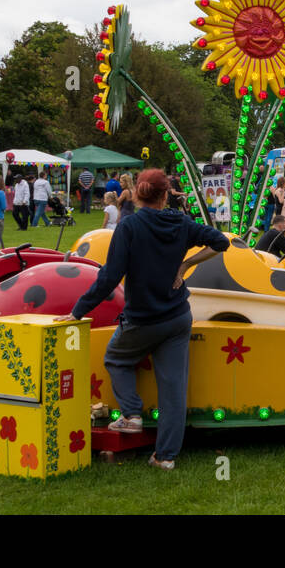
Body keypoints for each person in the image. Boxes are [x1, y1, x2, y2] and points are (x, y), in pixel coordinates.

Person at [60, 168, 229, 470]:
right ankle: (165, 458)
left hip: (142, 319)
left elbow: (109, 277)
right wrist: (186, 263)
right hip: (178, 317)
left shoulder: (129, 226)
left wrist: (77, 311)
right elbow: (221, 241)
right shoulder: (181, 222)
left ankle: (132, 415)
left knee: (115, 359)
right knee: (173, 388)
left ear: (137, 194)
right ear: (166, 195)